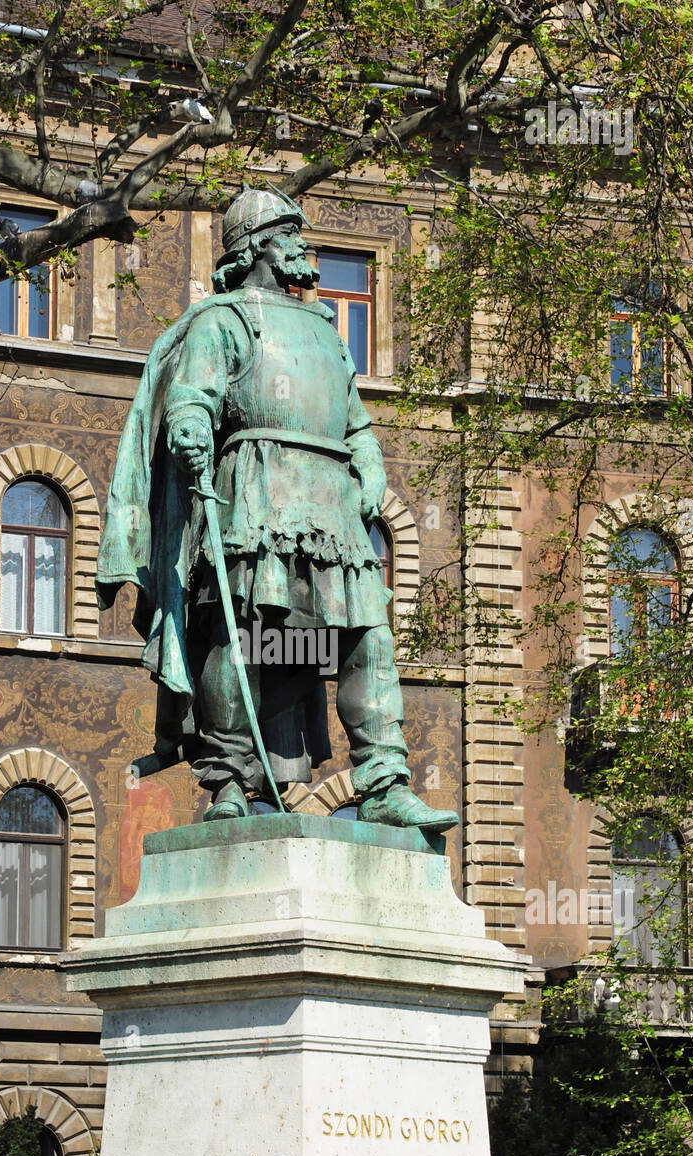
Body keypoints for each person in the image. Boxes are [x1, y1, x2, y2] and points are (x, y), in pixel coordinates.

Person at [96, 185, 458, 832]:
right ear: (258, 244)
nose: (304, 248)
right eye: (292, 235)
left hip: (332, 504)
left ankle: (383, 781)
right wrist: (189, 428)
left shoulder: (323, 329)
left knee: (365, 641)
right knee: (241, 641)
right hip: (254, 494)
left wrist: (370, 466)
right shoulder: (223, 319)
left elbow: (356, 421)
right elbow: (193, 396)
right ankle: (230, 780)